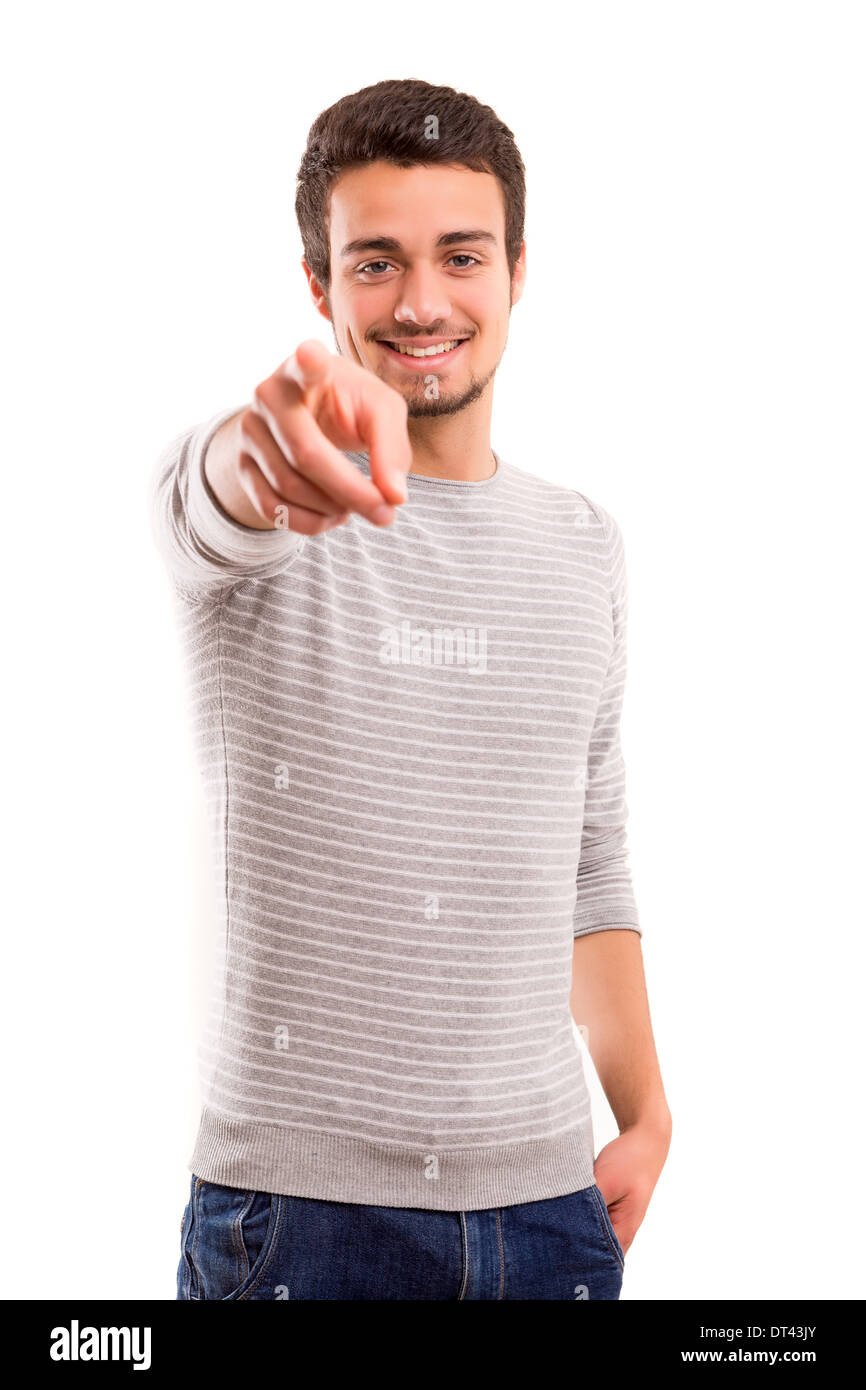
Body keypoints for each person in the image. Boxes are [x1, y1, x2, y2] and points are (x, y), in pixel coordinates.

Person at [150, 77, 671, 1301]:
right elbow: (212, 494)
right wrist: (267, 455)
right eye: (374, 262)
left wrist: (645, 1111)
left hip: (550, 1218)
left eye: (460, 255)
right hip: (301, 1225)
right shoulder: (267, 503)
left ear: (516, 270)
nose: (423, 302)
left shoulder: (585, 539)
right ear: (318, 287)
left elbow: (587, 858)